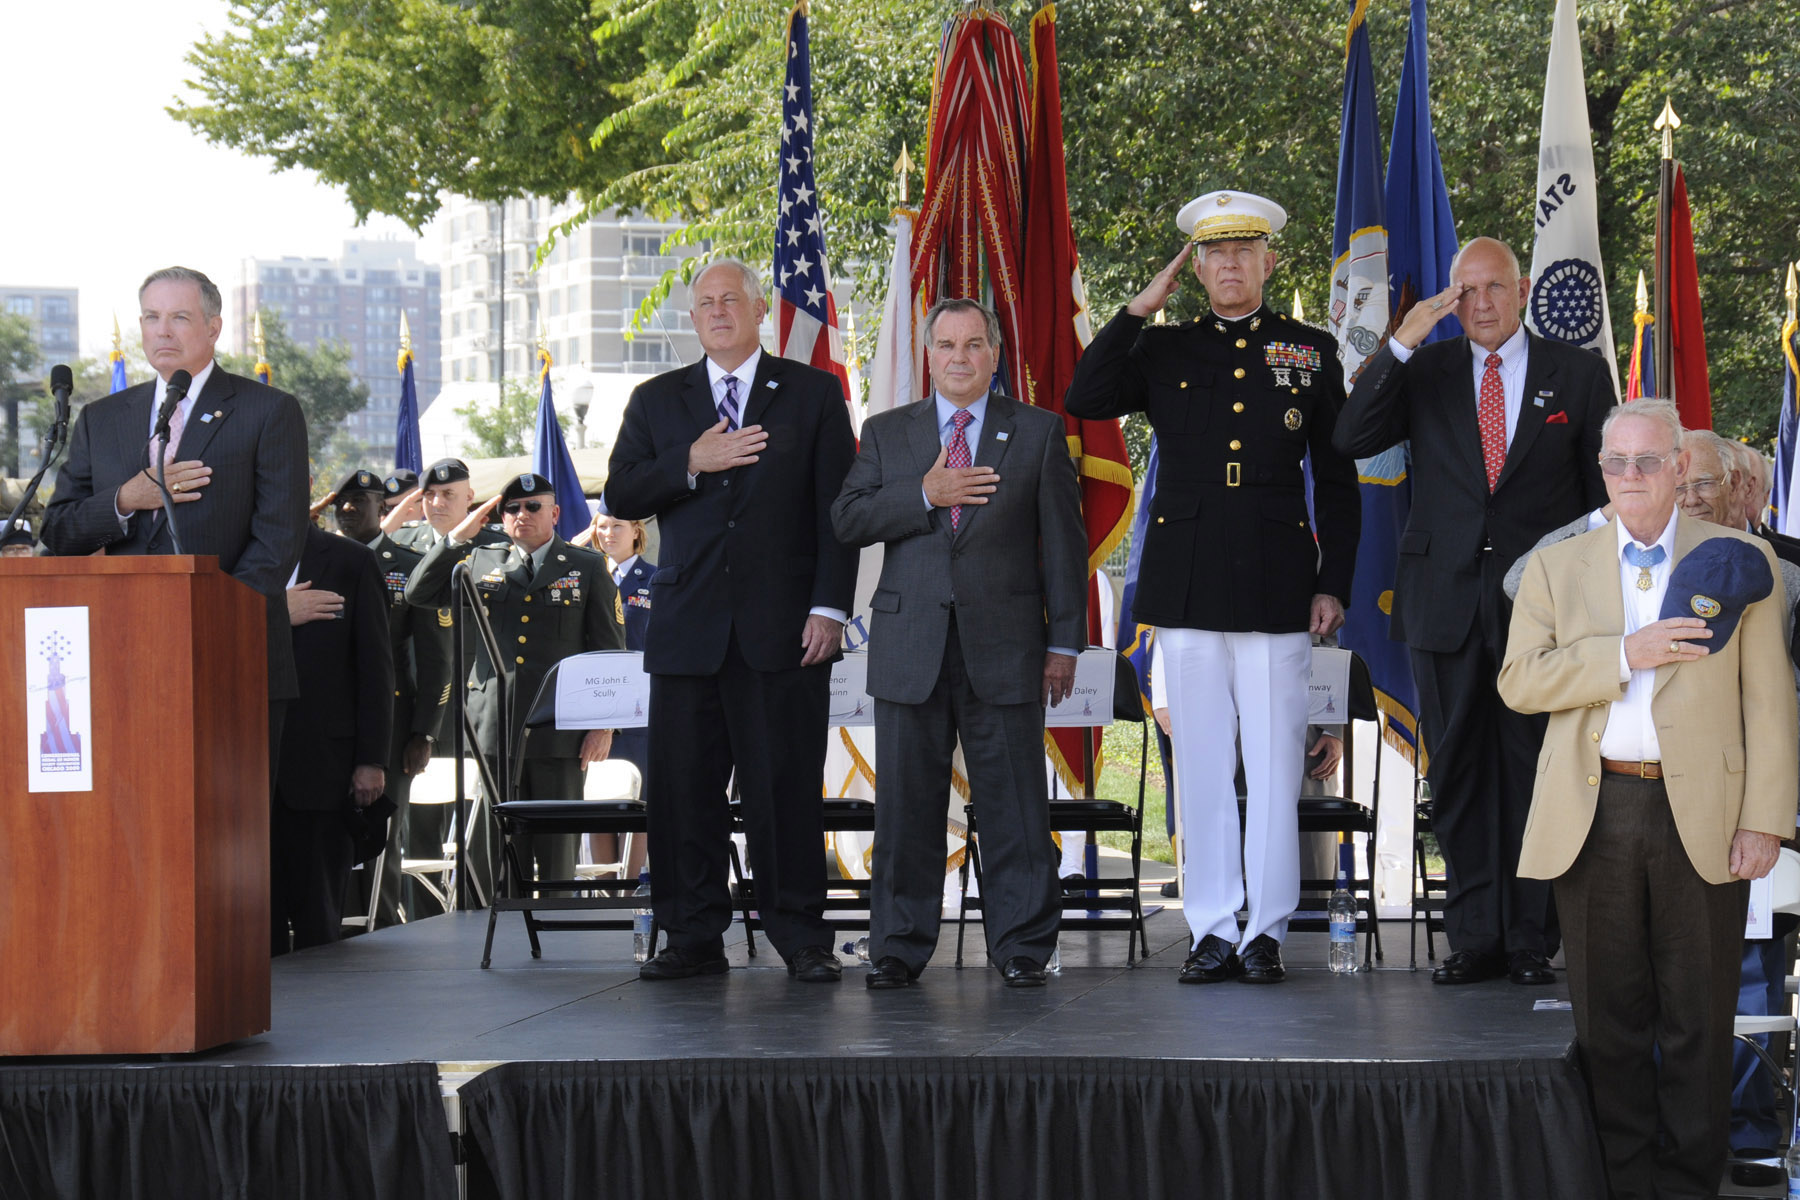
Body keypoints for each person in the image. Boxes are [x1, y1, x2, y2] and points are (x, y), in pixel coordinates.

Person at [1497, 398, 1797, 1199]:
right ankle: (1621, 1184)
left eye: (1647, 462)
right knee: (1609, 1024)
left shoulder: (1739, 561)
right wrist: (1620, 654)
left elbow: (1772, 705)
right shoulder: (1557, 567)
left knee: (1699, 1021)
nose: (1630, 476)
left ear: (1678, 470)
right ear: (1603, 473)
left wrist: (1764, 819)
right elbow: (1519, 681)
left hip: (1703, 818)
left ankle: (1692, 1185)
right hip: (1595, 816)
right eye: (1615, 463)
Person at [1065, 190, 1360, 985]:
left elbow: (1336, 481)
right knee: (1198, 761)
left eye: (1244, 252)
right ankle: (1212, 929)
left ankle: (1263, 929)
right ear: (1194, 268)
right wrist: (1136, 309)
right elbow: (1084, 396)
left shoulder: (1310, 350)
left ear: (1269, 261)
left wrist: (1334, 583)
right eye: (1214, 254)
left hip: (1276, 576)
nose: (1230, 266)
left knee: (1271, 762)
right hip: (1187, 575)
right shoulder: (1164, 349)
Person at [1333, 236, 1615, 986]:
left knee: (1533, 768)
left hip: (1543, 610)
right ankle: (1472, 936)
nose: (1482, 304)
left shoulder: (1579, 375)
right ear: (1451, 302)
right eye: (1467, 292)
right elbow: (1350, 436)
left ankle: (1529, 938)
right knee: (1456, 770)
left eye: (1495, 288)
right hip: (1442, 601)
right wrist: (1398, 343)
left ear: (1520, 292)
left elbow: (1605, 497)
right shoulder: (1424, 371)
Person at [604, 257, 858, 984]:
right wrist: (692, 459)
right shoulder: (657, 401)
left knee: (784, 789)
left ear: (757, 311)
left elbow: (835, 514)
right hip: (686, 631)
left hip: (785, 631)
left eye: (730, 300)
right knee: (684, 792)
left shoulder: (810, 394)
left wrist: (829, 607)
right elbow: (622, 491)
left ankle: (801, 934)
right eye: (705, 303)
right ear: (694, 320)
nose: (717, 311)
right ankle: (691, 935)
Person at [831, 298, 1086, 988]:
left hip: (1005, 649)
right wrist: (924, 491)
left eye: (974, 344)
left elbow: (1064, 549)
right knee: (907, 808)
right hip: (910, 648)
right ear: (929, 354)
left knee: (1015, 808)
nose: (960, 357)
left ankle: (1023, 949)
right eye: (946, 345)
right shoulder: (888, 433)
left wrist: (1065, 644)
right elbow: (848, 519)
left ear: (995, 354)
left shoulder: (1037, 432)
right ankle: (898, 947)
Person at [41, 265, 309, 761]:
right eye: (151, 317)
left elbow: (278, 539)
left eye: (179, 317)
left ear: (213, 327)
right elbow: (58, 531)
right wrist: (127, 498)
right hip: (118, 656)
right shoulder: (102, 419)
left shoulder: (268, 411)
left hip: (230, 656)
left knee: (226, 829)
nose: (162, 330)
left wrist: (206, 617)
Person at [407, 473, 622, 889]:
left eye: (533, 507)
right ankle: (506, 941)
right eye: (511, 509)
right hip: (495, 729)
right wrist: (455, 539)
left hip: (560, 729)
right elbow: (419, 592)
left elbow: (608, 653)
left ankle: (557, 939)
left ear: (555, 513)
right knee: (500, 857)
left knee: (557, 854)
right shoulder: (479, 560)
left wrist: (603, 724)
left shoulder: (586, 567)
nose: (521, 515)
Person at [331, 469, 452, 927]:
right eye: (342, 501)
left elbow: (437, 660)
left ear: (383, 509)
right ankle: (338, 924)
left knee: (384, 835)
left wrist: (424, 732)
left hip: (393, 725)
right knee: (333, 833)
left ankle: (382, 927)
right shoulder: (324, 560)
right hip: (333, 721)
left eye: (360, 500)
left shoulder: (408, 564)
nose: (347, 509)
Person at [274, 517, 394, 953]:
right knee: (254, 925)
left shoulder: (351, 561)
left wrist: (371, 759)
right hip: (247, 771)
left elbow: (376, 668)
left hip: (324, 769)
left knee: (319, 923)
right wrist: (272, 613)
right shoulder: (232, 560)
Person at [591, 503, 654, 879]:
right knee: (597, 809)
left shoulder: (655, 579)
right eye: (601, 526)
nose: (608, 533)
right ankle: (604, 898)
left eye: (617, 526)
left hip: (638, 715)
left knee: (636, 809)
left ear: (636, 530)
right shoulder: (588, 576)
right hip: (594, 712)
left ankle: (630, 895)